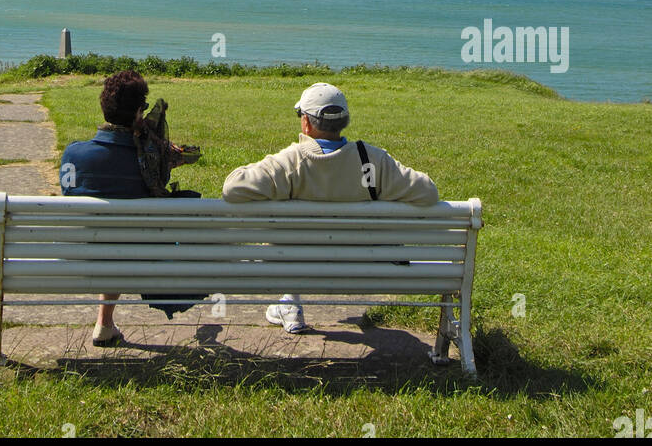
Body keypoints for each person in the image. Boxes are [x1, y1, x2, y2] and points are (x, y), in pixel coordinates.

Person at [221, 82, 439, 335]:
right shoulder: (371, 161)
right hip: (363, 267)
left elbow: (232, 188)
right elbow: (428, 192)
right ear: (344, 121)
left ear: (306, 123)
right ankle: (288, 302)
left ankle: (289, 301)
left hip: (293, 266)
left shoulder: (291, 163)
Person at [59, 69, 201, 346]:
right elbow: (188, 158)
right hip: (139, 257)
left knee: (109, 233)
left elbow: (69, 192)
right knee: (121, 237)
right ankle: (104, 323)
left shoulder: (73, 154)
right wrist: (156, 143)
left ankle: (105, 323)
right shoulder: (152, 161)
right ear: (138, 113)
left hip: (84, 253)